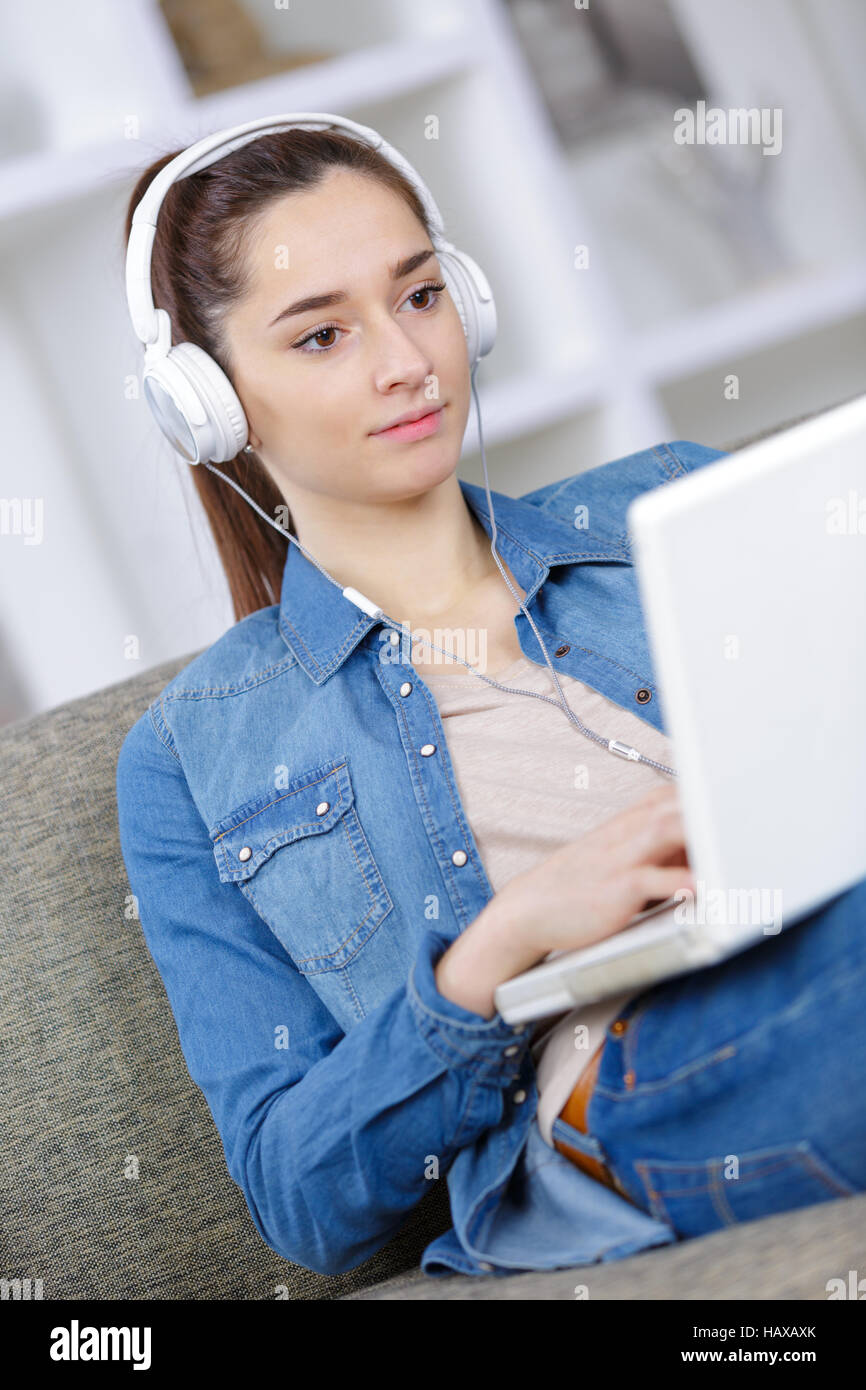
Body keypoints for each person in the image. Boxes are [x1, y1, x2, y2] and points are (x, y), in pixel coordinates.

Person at [116, 122, 866, 1280]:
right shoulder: (195, 751)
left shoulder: (663, 498)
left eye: (419, 296)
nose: (405, 361)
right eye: (320, 334)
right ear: (208, 406)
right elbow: (298, 1200)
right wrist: (502, 947)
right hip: (627, 1087)